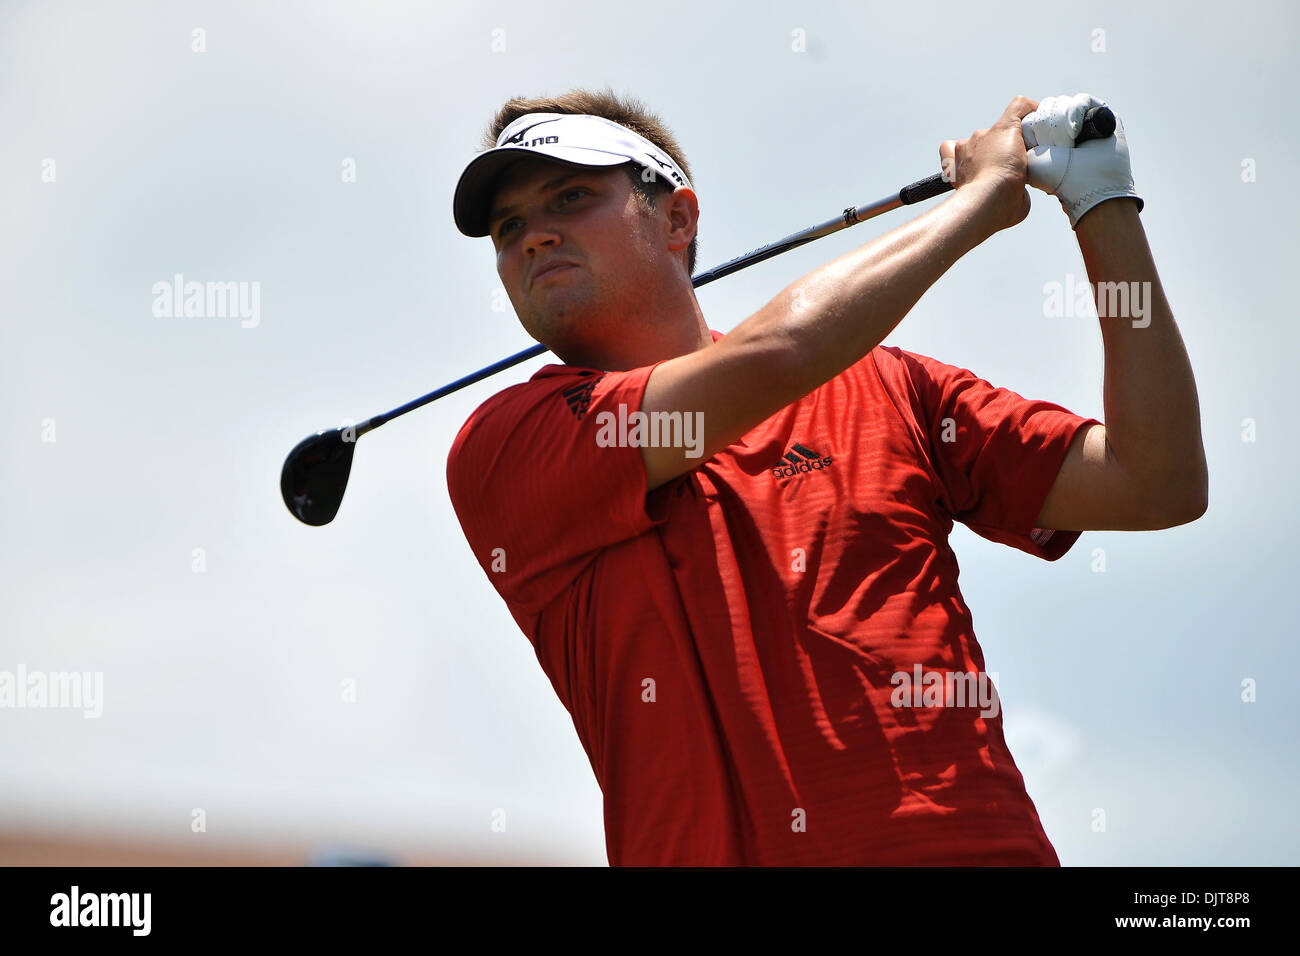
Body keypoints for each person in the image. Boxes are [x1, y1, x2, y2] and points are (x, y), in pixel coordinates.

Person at [445, 88, 1207, 865]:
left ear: (677, 219)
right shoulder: (508, 447)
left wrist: (1103, 204)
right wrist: (981, 203)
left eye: (570, 198)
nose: (535, 237)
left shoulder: (890, 388)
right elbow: (784, 353)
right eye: (509, 230)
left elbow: (1155, 479)